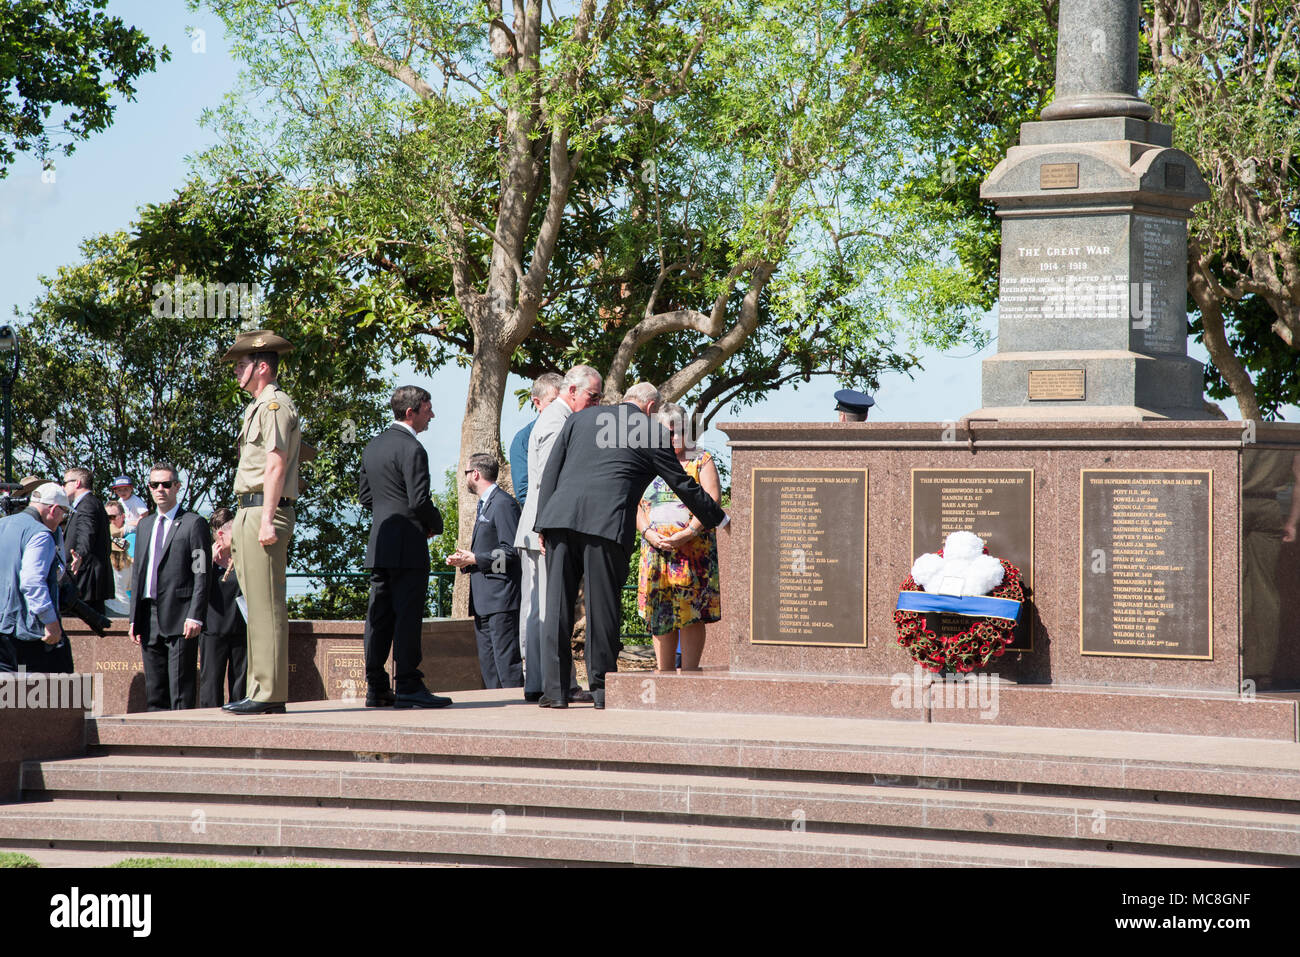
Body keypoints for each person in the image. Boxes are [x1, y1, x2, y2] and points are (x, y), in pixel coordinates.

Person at [533, 381, 728, 709]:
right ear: (651, 408)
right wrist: (716, 516)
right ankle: (602, 689)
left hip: (560, 520)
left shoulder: (581, 418)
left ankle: (554, 692)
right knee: (602, 607)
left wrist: (542, 522)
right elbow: (681, 483)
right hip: (606, 525)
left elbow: (551, 471)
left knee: (557, 608)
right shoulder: (651, 432)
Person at [221, 329, 301, 715]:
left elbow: (276, 464)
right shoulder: (258, 407)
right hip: (248, 510)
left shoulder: (275, 406)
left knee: (266, 606)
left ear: (262, 367)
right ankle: (259, 688)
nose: (237, 371)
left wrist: (267, 519)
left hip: (263, 511)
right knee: (255, 604)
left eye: (242, 365)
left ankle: (268, 693)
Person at [358, 385, 450, 709]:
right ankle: (409, 684)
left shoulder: (372, 447)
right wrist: (434, 525)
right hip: (409, 546)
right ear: (411, 412)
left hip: (380, 545)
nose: (432, 415)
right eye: (428, 409)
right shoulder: (413, 449)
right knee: (407, 617)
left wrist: (390, 515)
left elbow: (366, 497)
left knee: (378, 617)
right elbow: (419, 500)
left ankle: (376, 687)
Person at [513, 365, 602, 703]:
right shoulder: (556, 420)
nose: (595, 404)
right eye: (592, 397)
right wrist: (546, 528)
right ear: (573, 391)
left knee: (544, 610)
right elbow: (550, 480)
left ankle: (544, 682)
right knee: (549, 611)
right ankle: (554, 683)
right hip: (545, 530)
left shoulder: (559, 418)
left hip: (543, 528)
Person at [636, 403, 723, 673]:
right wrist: (648, 533)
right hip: (656, 551)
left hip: (692, 553)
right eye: (666, 432)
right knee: (659, 613)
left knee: (691, 614)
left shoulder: (701, 459)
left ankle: (690, 675)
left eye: (677, 432)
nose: (672, 438)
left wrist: (688, 533)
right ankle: (663, 674)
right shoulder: (646, 460)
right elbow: (634, 504)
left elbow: (713, 502)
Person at [128, 464, 210, 711]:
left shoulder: (194, 524)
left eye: (165, 484)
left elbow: (201, 573)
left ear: (177, 487)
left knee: (181, 693)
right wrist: (135, 617)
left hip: (180, 617)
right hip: (148, 617)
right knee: (155, 692)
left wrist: (195, 614)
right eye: (154, 485)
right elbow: (138, 573)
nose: (160, 490)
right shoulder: (144, 525)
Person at [448, 453, 522, 689]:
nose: (465, 477)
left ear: (476, 474)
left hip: (501, 601)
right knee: (490, 671)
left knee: (506, 668)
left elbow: (511, 552)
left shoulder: (503, 504)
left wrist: (476, 558)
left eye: (467, 473)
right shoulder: (485, 504)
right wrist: (466, 561)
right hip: (484, 602)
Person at [0, 483, 75, 674]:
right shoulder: (40, 534)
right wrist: (50, 621)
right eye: (64, 513)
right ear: (54, 509)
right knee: (62, 691)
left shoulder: (2, 524)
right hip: (28, 630)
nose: (62, 519)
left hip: (3, 629)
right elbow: (32, 581)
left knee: (7, 697)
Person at [199, 507, 248, 709]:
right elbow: (193, 587)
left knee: (241, 685)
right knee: (210, 685)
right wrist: (208, 563)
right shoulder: (202, 556)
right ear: (220, 534)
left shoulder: (244, 556)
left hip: (241, 629)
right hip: (212, 629)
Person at [508, 373, 563, 508]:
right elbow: (523, 492)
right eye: (554, 402)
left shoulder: (574, 430)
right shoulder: (523, 439)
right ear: (537, 403)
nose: (560, 407)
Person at [63, 466, 113, 614]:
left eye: (65, 482)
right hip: (86, 580)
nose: (63, 487)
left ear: (77, 483)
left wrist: (79, 555)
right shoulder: (88, 503)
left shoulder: (87, 505)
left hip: (85, 581)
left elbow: (86, 535)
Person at [104, 500, 133, 617]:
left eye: (112, 517)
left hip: (118, 605)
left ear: (123, 517)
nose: (110, 520)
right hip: (127, 607)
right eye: (106, 517)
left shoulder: (132, 538)